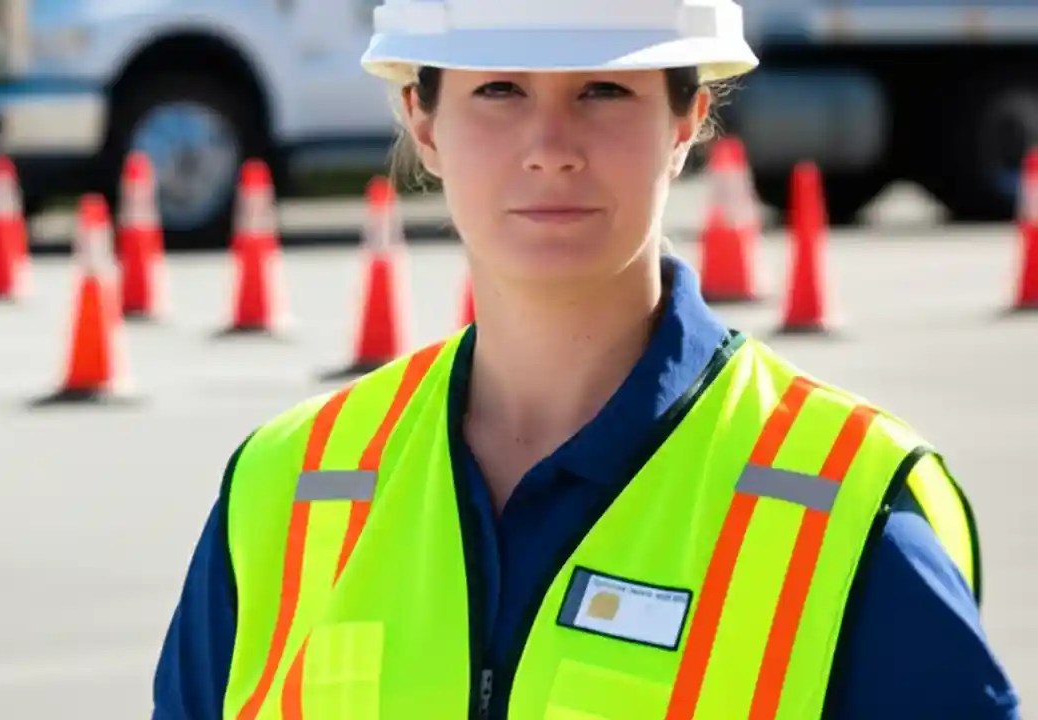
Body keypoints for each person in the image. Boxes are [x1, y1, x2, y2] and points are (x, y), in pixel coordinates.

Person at [152, 0, 1020, 717]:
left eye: (604, 89)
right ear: (423, 118)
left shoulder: (847, 510)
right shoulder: (286, 489)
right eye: (498, 89)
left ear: (687, 117)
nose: (551, 145)